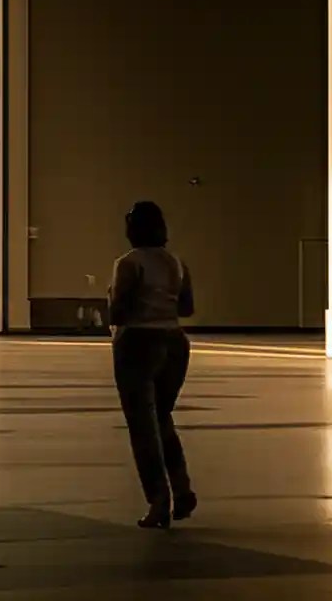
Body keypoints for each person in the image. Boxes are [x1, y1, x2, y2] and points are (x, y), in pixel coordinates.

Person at [108, 201, 197, 529]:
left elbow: (118, 310)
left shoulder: (128, 263)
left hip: (137, 344)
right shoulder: (177, 263)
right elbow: (187, 308)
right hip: (174, 342)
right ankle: (182, 487)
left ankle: (158, 501)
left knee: (142, 427)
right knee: (161, 418)